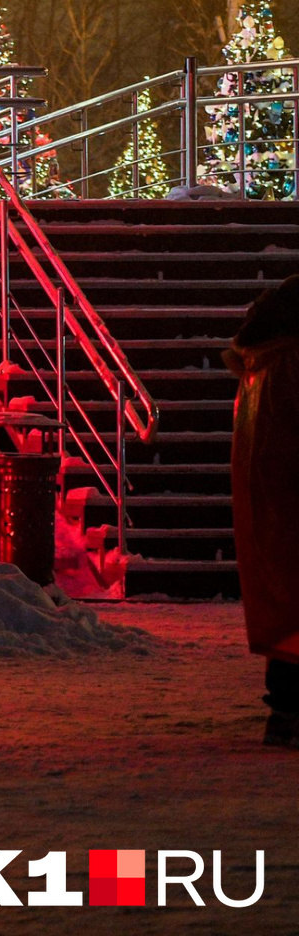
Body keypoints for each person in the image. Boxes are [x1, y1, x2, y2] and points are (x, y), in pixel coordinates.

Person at [226, 270, 299, 743]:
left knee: (287, 602)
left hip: (272, 500)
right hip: (290, 494)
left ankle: (287, 710)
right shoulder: (292, 363)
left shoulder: (261, 364)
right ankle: (290, 712)